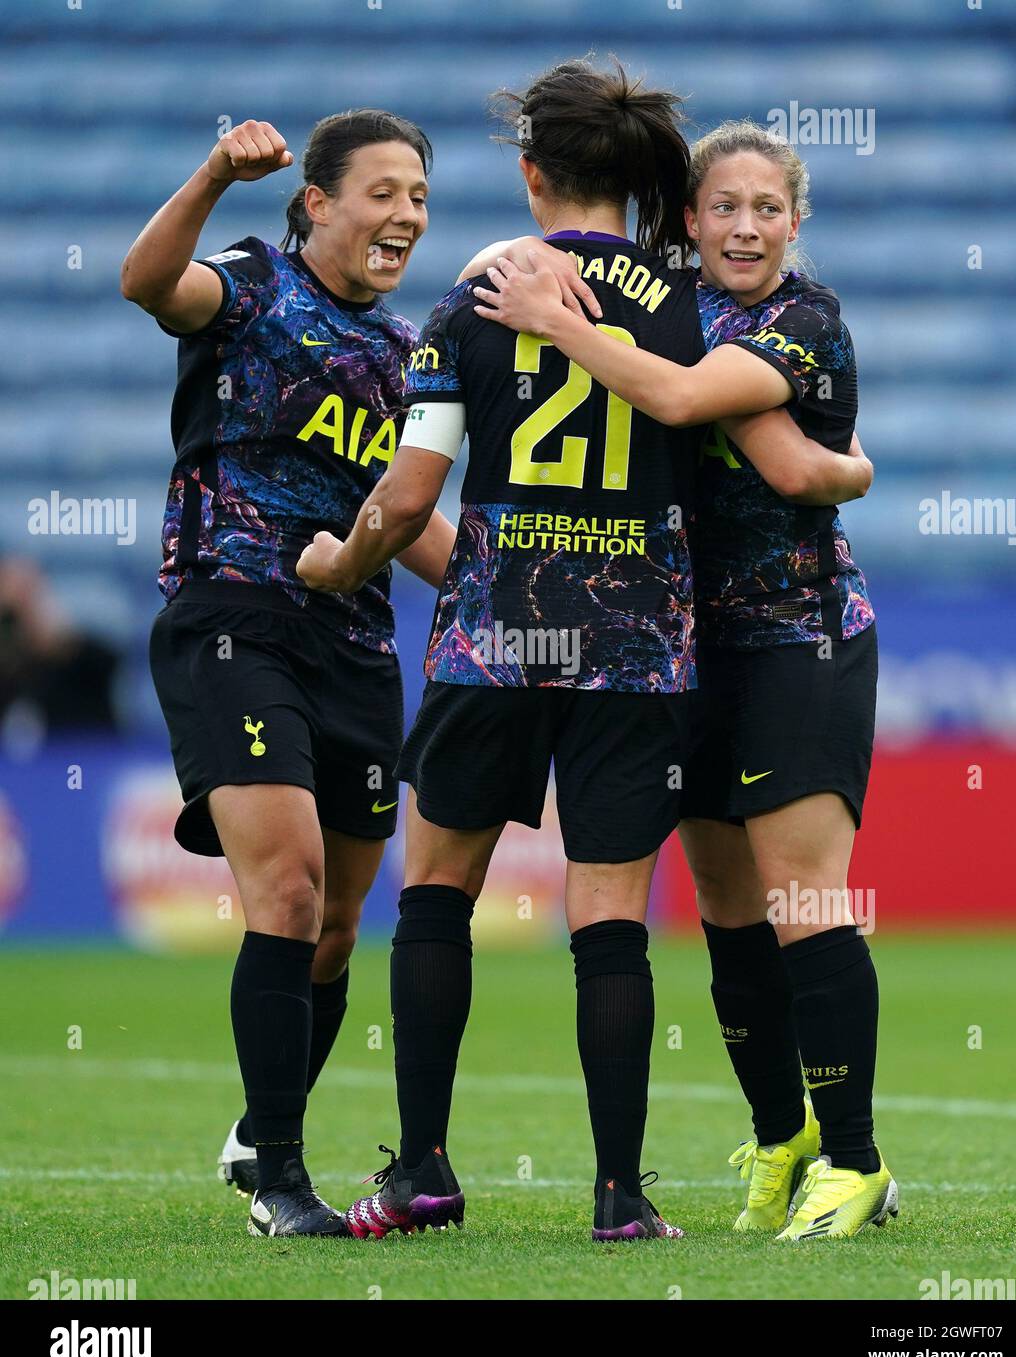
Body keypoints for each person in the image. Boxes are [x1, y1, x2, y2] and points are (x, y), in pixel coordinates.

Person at [297, 64, 869, 1242]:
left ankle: (425, 1172)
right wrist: (849, 466)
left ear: (529, 173)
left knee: (436, 895)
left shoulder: (478, 300)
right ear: (658, 183)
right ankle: (620, 1195)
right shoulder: (694, 301)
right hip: (638, 645)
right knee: (609, 908)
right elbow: (775, 448)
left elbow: (407, 500)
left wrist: (342, 567)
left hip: (495, 633)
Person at [473, 118, 894, 1242]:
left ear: (796, 221)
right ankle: (782, 1136)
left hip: (796, 638)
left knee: (805, 900)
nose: (745, 226)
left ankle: (855, 1159)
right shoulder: (664, 301)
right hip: (675, 649)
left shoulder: (803, 319)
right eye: (722, 207)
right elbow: (509, 270)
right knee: (727, 911)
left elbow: (678, 404)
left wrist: (561, 323)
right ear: (687, 219)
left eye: (767, 208)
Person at [121, 111, 456, 1237]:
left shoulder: (408, 352)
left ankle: (258, 1128)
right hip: (236, 616)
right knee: (292, 888)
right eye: (382, 191)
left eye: (418, 194)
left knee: (336, 924)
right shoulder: (254, 287)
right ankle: (281, 1182)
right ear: (316, 202)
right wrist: (215, 167)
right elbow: (144, 283)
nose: (405, 213)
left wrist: (519, 600)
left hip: (354, 646)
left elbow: (404, 517)